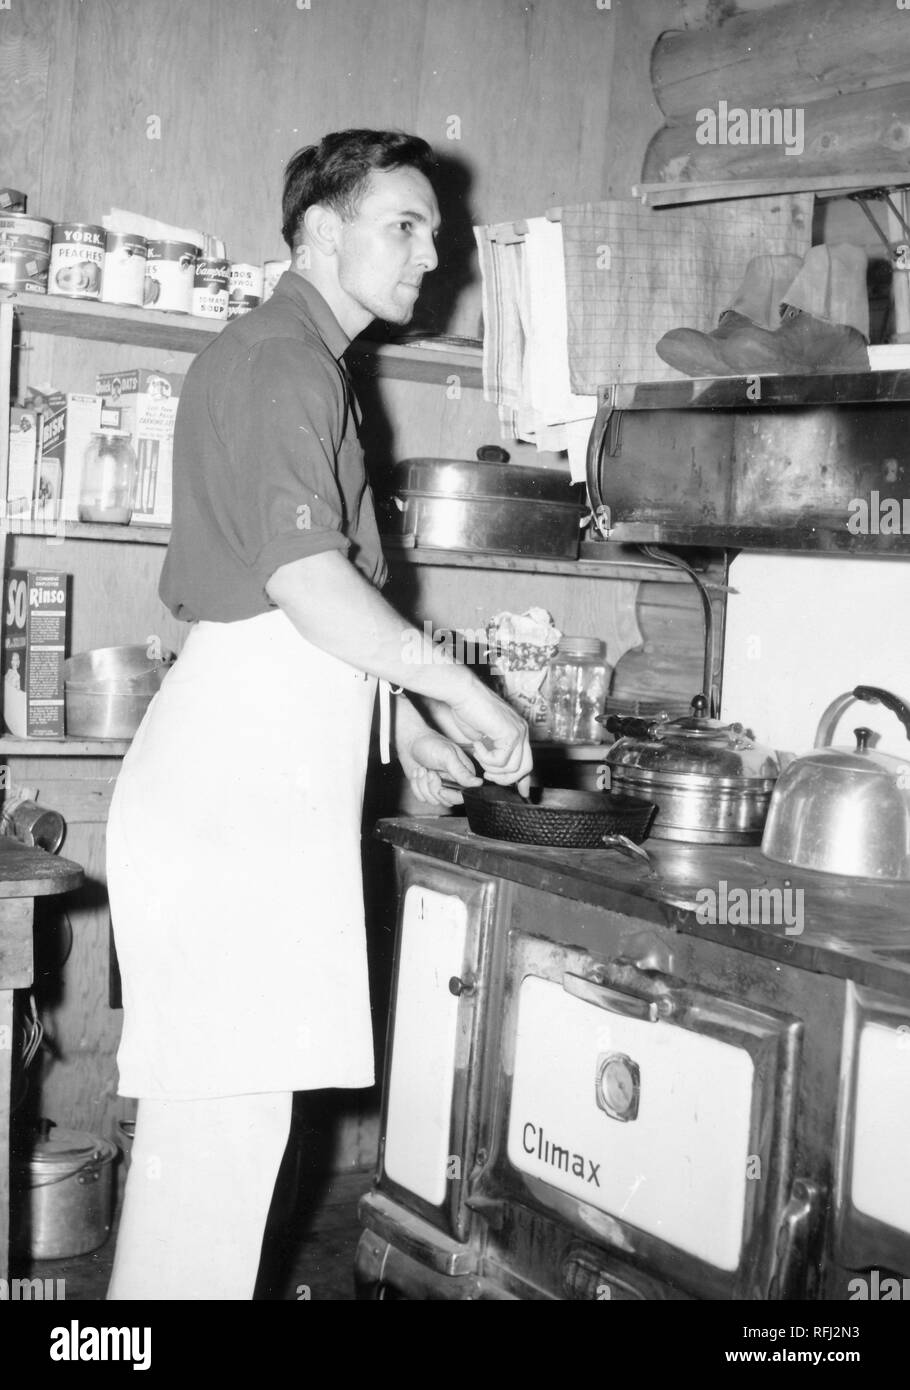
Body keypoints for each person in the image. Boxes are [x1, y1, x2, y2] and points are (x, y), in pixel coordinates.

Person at [105, 129, 532, 1300]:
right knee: (214, 1165)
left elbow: (302, 627)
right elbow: (301, 586)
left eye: (435, 233)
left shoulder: (303, 361)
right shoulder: (282, 359)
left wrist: (405, 728)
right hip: (225, 805)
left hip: (249, 792)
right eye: (403, 225)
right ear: (317, 232)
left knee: (225, 1159)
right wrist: (460, 683)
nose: (430, 255)